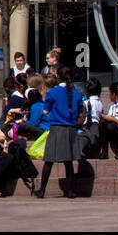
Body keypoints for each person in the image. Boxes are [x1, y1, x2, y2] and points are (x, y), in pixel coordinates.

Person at [34, 66, 85, 198]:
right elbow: (80, 112)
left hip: (57, 129)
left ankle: (42, 190)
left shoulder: (53, 93)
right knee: (68, 163)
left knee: (49, 161)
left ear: (58, 76)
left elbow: (45, 111)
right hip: (71, 130)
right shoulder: (77, 93)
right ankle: (70, 191)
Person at [97, 82, 118, 160]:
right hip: (112, 130)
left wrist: (113, 119)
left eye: (110, 93)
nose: (109, 95)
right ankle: (104, 152)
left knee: (109, 126)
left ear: (114, 94)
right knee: (102, 123)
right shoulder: (112, 106)